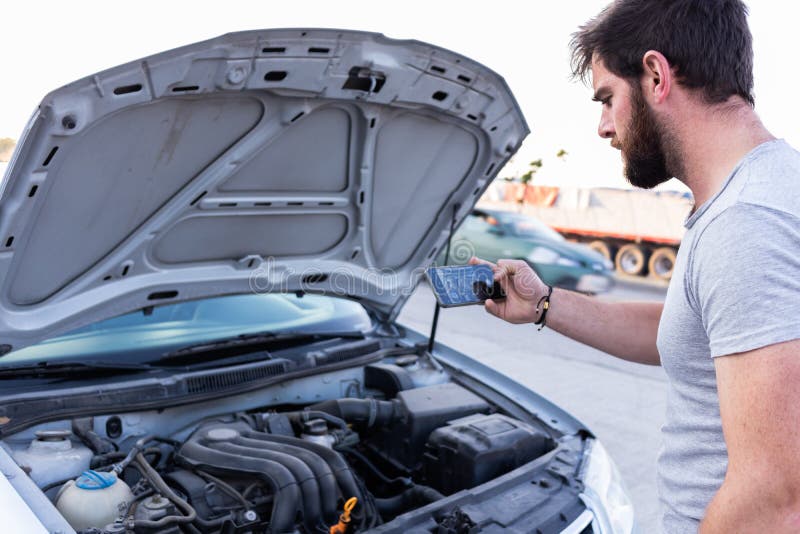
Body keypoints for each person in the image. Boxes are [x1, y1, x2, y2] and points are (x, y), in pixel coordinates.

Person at [470, 1, 800, 532]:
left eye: (607, 99)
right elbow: (690, 331)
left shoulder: (746, 223)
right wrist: (545, 305)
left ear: (655, 75)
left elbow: (773, 498)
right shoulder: (758, 191)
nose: (603, 127)